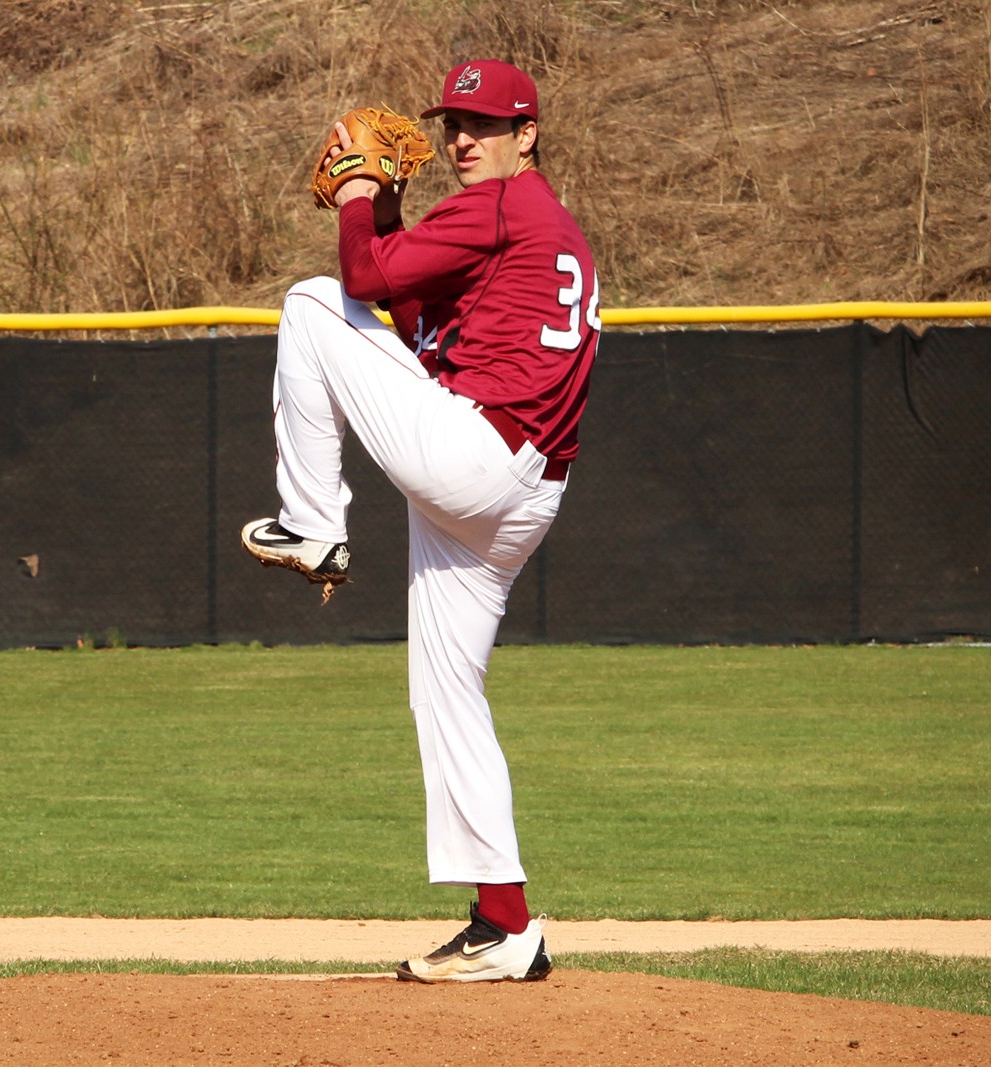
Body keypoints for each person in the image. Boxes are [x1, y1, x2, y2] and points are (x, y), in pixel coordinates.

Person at [240, 58, 600, 983]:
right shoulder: (530, 226)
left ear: (531, 135)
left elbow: (356, 275)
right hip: (526, 491)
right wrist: (391, 209)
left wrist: (361, 191)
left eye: (487, 123)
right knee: (447, 691)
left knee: (310, 303)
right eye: (454, 123)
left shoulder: (499, 207)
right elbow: (399, 296)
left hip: (476, 454)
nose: (462, 139)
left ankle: (314, 520)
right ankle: (504, 926)